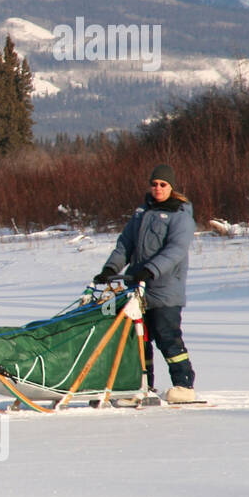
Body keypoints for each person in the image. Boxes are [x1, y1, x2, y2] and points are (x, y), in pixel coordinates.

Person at [96, 164, 197, 403]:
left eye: (163, 185)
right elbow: (125, 244)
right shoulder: (142, 211)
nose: (158, 188)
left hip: (165, 289)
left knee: (167, 336)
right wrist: (110, 268)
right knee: (137, 339)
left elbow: (175, 250)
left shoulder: (180, 214)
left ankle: (184, 386)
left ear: (171, 187)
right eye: (154, 184)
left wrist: (150, 270)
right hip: (138, 289)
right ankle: (141, 385)